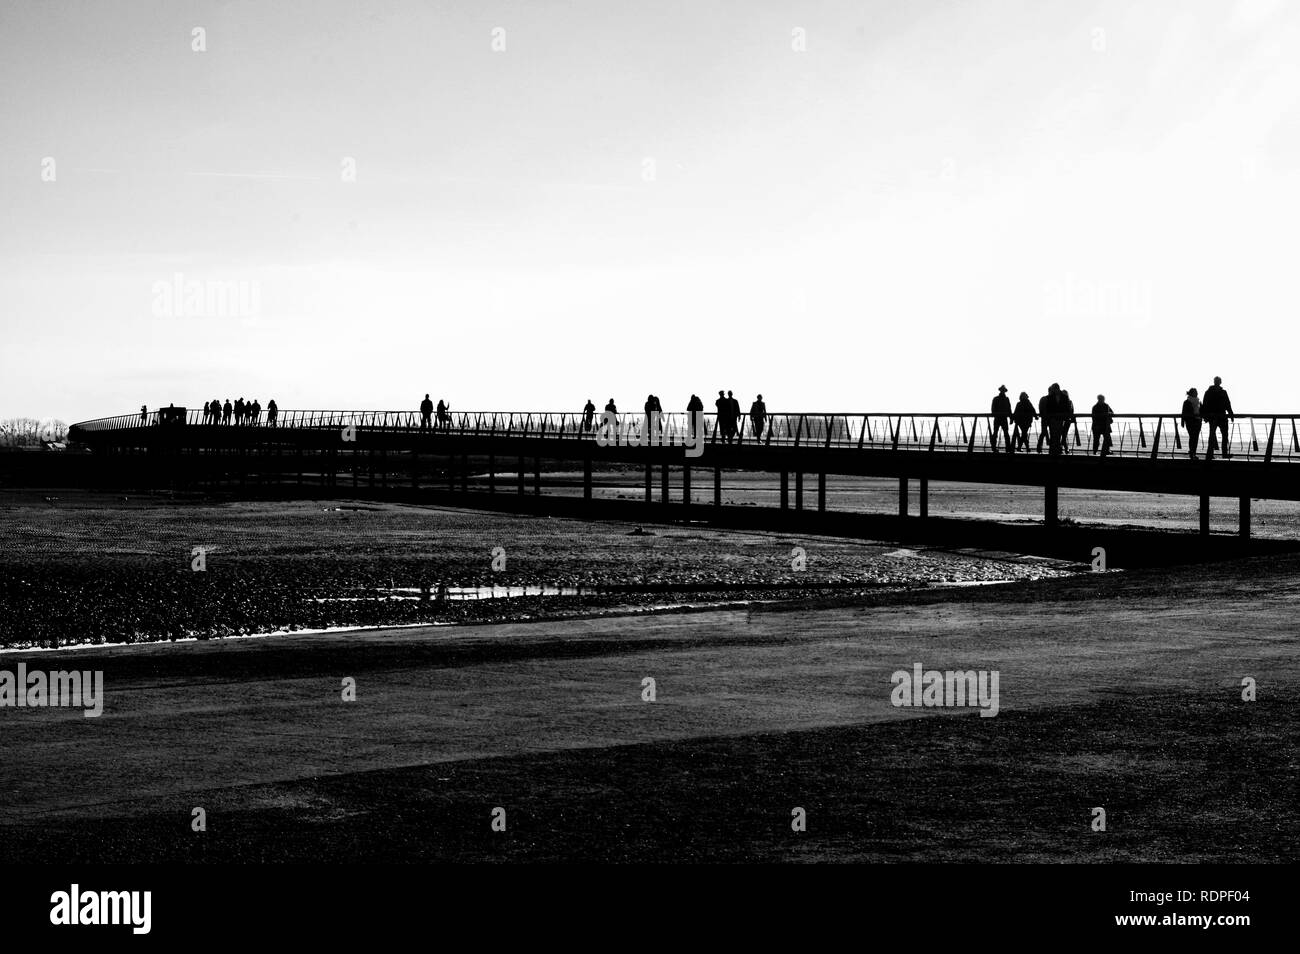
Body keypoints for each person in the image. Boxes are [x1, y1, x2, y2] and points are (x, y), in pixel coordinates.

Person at [1202, 376, 1234, 459]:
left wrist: (1206, 415)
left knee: (1215, 435)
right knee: (1222, 435)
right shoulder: (1222, 392)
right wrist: (1231, 414)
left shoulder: (1209, 392)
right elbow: (1227, 404)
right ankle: (1223, 454)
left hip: (1216, 416)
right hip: (1219, 416)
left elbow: (1205, 404)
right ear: (1220, 382)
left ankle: (1211, 454)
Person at [1181, 388, 1202, 459]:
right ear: (1191, 393)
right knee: (1192, 437)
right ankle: (1192, 453)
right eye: (1195, 392)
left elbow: (1201, 410)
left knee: (1195, 438)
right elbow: (1183, 412)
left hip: (1198, 421)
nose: (1197, 393)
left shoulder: (1199, 401)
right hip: (1190, 422)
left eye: (1197, 392)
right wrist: (1183, 421)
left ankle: (1193, 453)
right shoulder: (1187, 402)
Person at [990, 385, 1013, 453]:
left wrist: (995, 414)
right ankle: (1007, 448)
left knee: (996, 433)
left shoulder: (996, 398)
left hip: (998, 418)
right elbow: (1009, 409)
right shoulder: (1006, 399)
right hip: (1003, 418)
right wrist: (1011, 418)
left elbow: (993, 409)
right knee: (1005, 434)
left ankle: (994, 448)